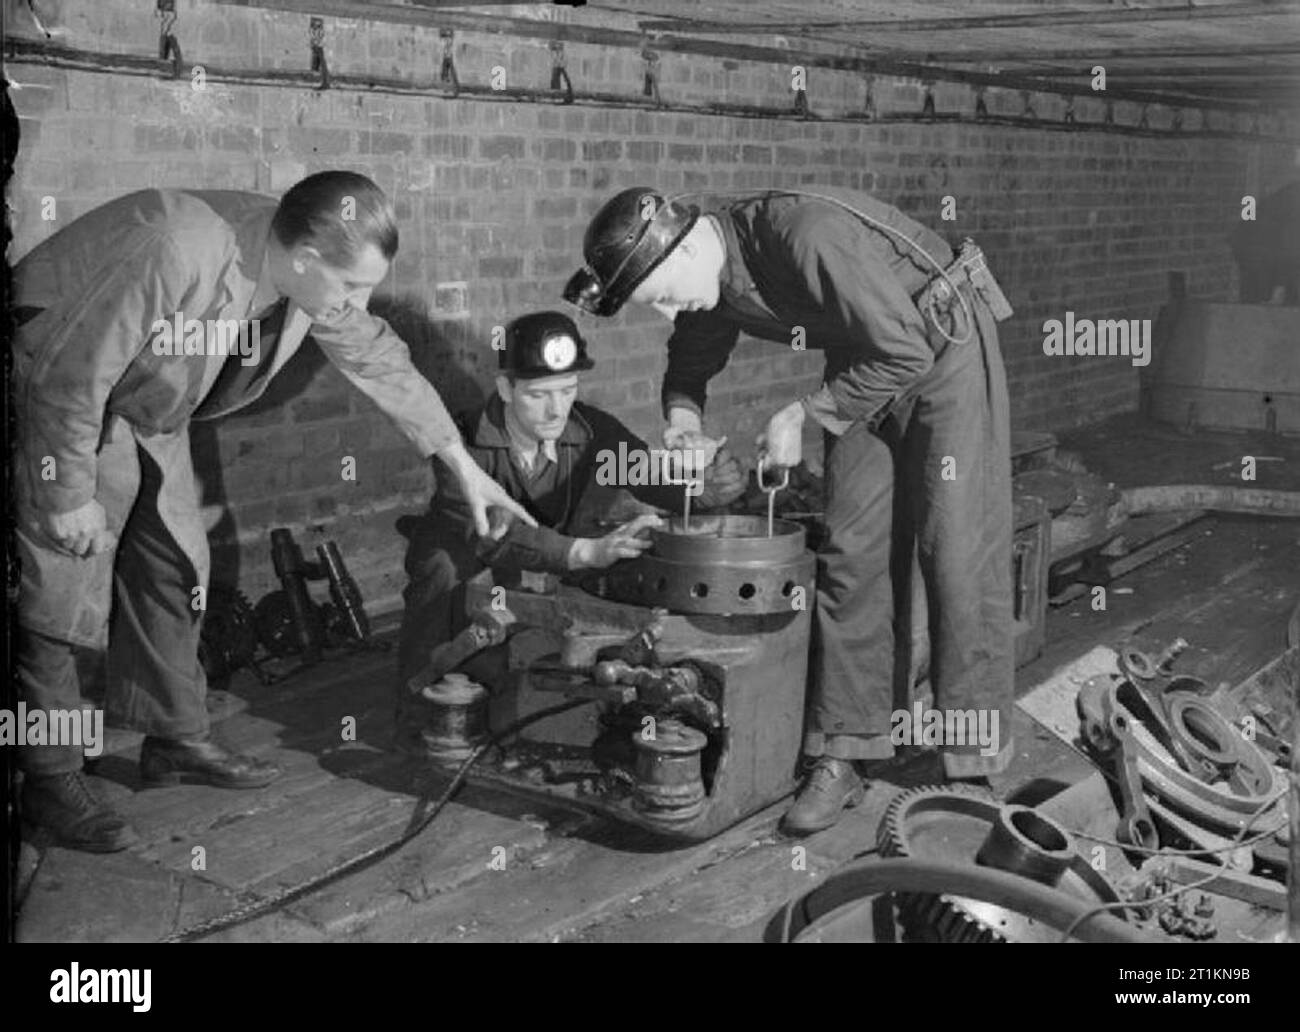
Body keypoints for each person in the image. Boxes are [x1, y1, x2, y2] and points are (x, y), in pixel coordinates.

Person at [10, 171, 535, 852]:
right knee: (56, 596)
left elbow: (380, 358)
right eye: (350, 287)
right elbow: (69, 371)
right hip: (54, 399)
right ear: (307, 260)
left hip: (144, 406)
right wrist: (67, 495)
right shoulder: (178, 247)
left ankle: (175, 739)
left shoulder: (298, 257)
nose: (358, 302)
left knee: (175, 568)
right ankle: (48, 777)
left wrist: (463, 467)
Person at [564, 185, 1014, 835]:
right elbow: (691, 352)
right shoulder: (706, 270)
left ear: (687, 243)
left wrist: (803, 414)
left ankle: (971, 765)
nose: (667, 310)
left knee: (954, 552)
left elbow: (908, 348)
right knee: (850, 553)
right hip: (868, 361)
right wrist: (683, 420)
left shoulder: (803, 234)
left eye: (662, 292)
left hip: (943, 345)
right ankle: (848, 748)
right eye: (652, 305)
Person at [394, 311, 744, 752]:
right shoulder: (460, 440)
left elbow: (649, 475)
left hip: (547, 550)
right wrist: (585, 552)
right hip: (466, 548)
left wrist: (706, 485)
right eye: (539, 395)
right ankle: (418, 714)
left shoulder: (590, 431)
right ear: (505, 389)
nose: (556, 409)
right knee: (446, 574)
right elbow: (495, 536)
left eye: (567, 390)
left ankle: (526, 705)